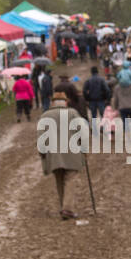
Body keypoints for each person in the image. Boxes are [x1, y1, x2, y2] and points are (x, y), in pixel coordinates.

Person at [37, 90, 89, 219]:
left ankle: (64, 207)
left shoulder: (45, 116)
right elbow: (82, 131)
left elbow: (41, 136)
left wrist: (42, 152)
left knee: (59, 180)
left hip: (53, 154)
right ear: (66, 102)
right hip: (72, 152)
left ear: (52, 102)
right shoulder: (73, 113)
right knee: (70, 179)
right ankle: (67, 209)